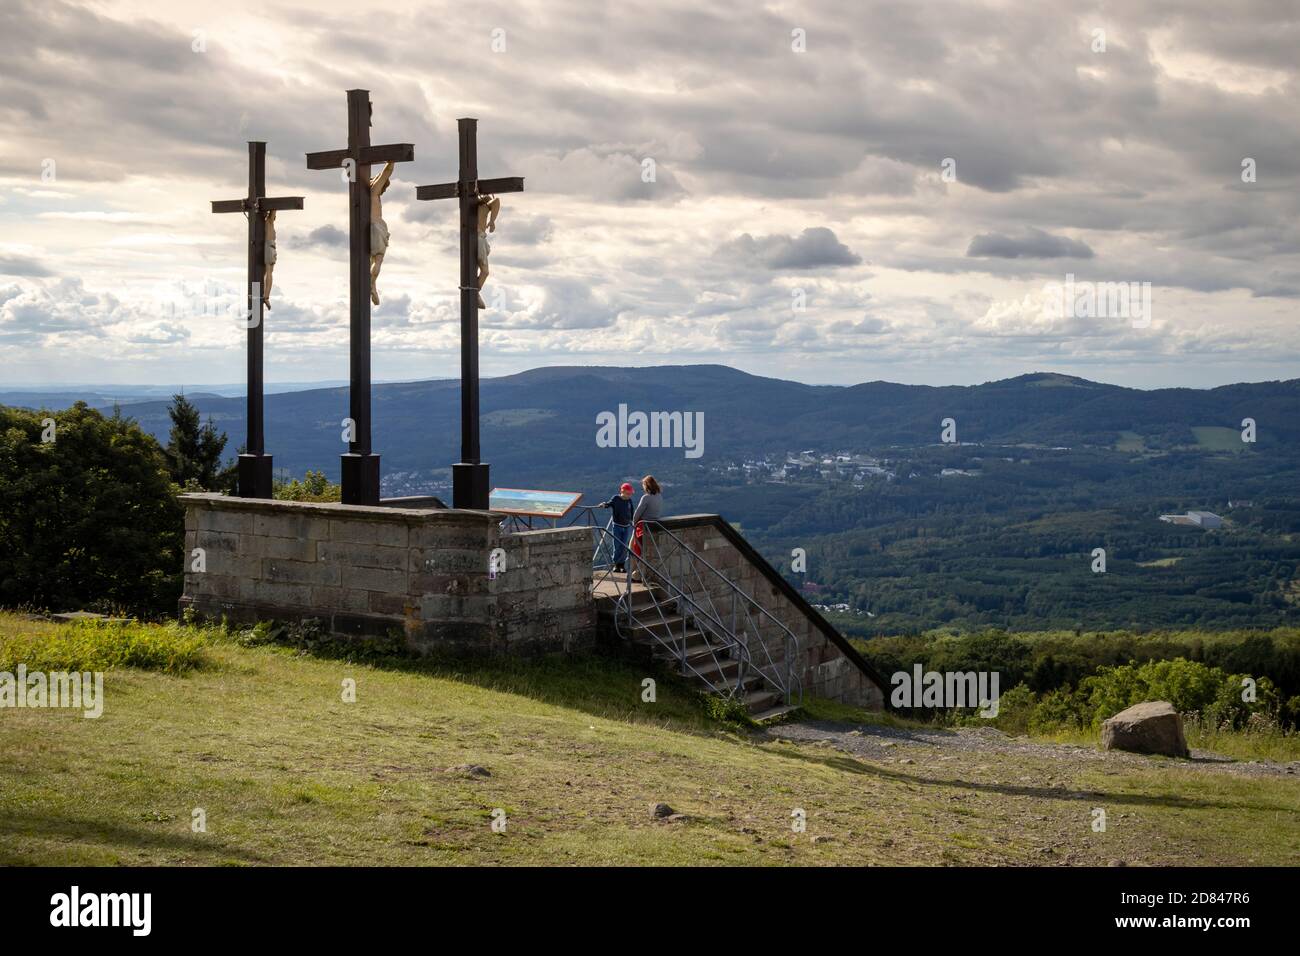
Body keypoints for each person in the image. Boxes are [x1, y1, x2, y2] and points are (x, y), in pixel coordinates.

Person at [369, 161, 396, 305]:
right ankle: (371, 283)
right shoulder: (373, 192)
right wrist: (391, 161)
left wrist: (390, 163)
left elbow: (384, 174)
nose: (374, 179)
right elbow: (386, 172)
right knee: (378, 259)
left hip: (368, 228)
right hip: (377, 228)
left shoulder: (371, 193)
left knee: (372, 261)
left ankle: (373, 285)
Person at [597, 482, 636, 572]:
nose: (629, 495)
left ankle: (622, 565)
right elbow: (609, 504)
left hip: (626, 526)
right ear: (623, 491)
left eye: (630, 494)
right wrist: (604, 505)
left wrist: (632, 520)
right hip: (617, 526)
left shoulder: (629, 501)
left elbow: (632, 511)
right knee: (617, 545)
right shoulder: (616, 498)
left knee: (624, 545)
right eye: (628, 493)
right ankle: (616, 564)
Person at [630, 475, 663, 576]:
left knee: (633, 546)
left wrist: (634, 523)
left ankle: (635, 572)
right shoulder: (659, 496)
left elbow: (637, 512)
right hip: (654, 525)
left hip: (643, 526)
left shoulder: (646, 497)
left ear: (646, 485)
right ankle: (637, 572)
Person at [476, 194, 500, 308]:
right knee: (485, 271)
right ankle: (475, 292)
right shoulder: (484, 207)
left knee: (476, 268)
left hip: (476, 239)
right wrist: (492, 221)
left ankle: (475, 291)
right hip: (478, 239)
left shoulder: (471, 207)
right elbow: (496, 201)